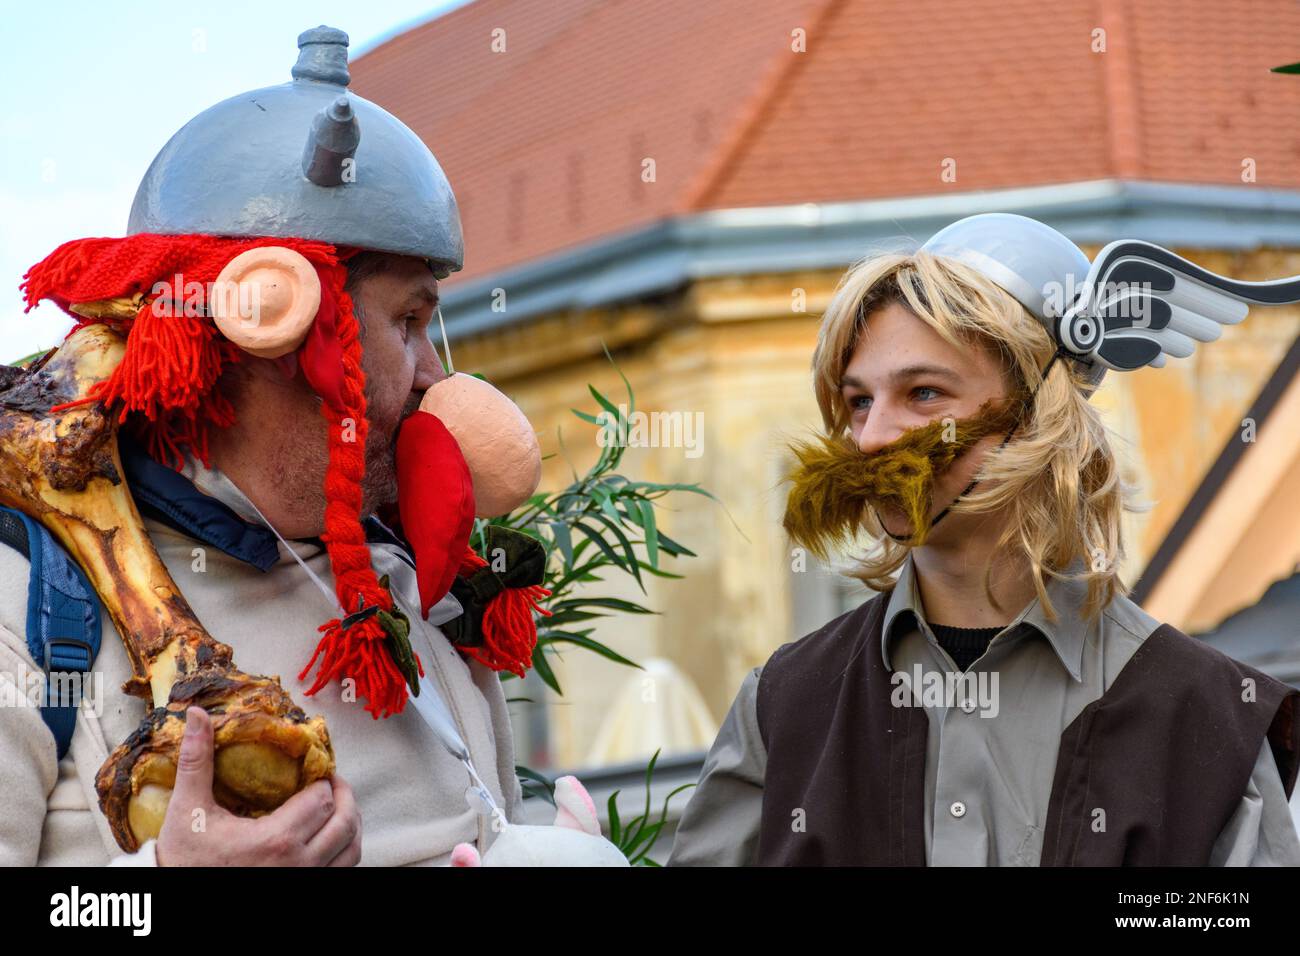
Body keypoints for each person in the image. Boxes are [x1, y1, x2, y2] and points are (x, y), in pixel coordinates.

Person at [0, 26, 540, 867]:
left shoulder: (416, 594)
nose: (436, 378)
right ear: (275, 321)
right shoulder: (25, 608)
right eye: (408, 321)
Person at [668, 213, 1300, 866]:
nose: (874, 437)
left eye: (923, 393)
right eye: (859, 402)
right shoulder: (784, 709)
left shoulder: (1210, 723)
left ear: (1037, 415)